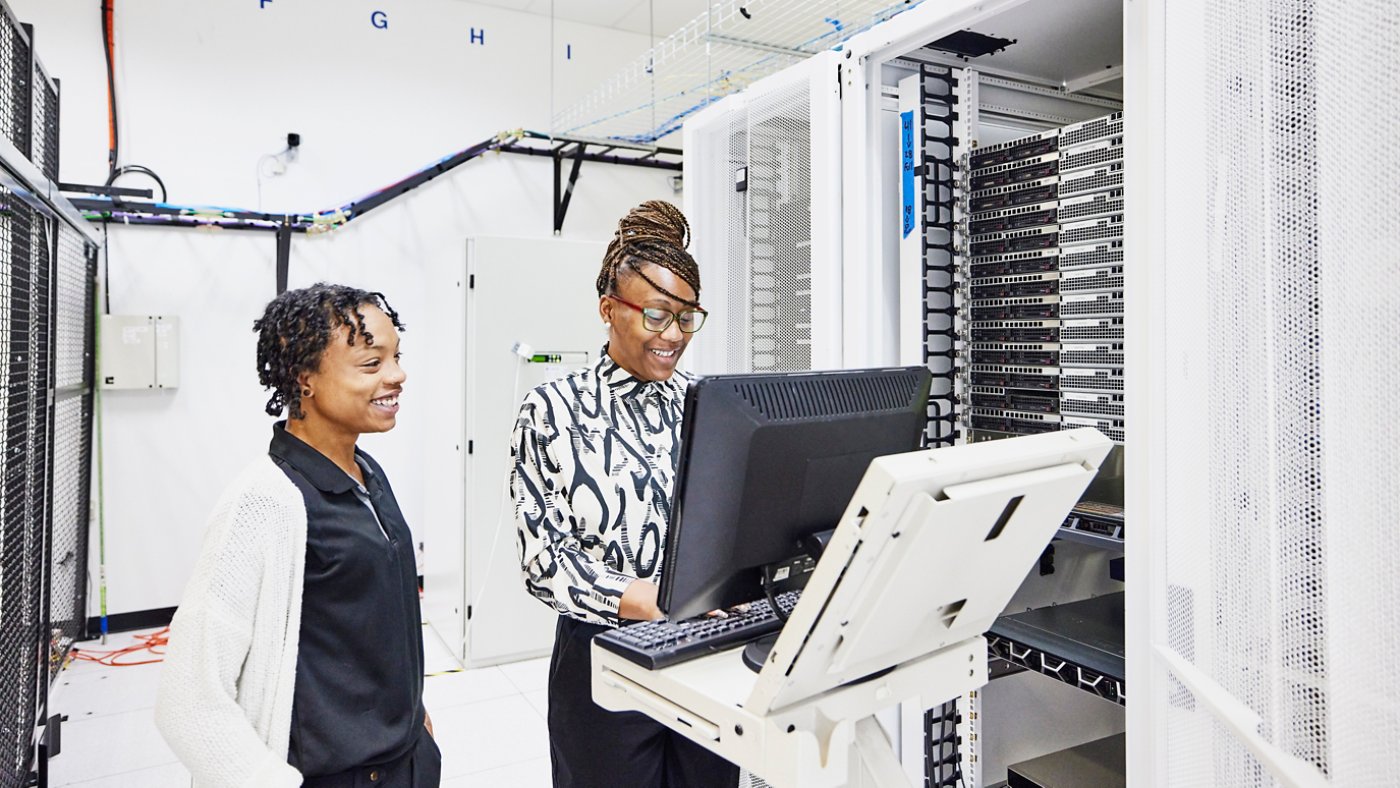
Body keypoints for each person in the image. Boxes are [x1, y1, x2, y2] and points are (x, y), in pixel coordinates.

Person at [155, 283, 439, 788]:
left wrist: (413, 717)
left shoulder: (366, 473)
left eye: (396, 357)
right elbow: (188, 700)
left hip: (404, 761)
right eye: (372, 364)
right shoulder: (263, 502)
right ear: (305, 379)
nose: (398, 375)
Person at [510, 201, 738, 788]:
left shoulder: (707, 402)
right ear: (609, 309)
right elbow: (543, 561)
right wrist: (634, 596)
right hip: (602, 654)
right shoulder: (554, 409)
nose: (675, 336)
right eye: (659, 315)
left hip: (703, 647)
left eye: (688, 318)